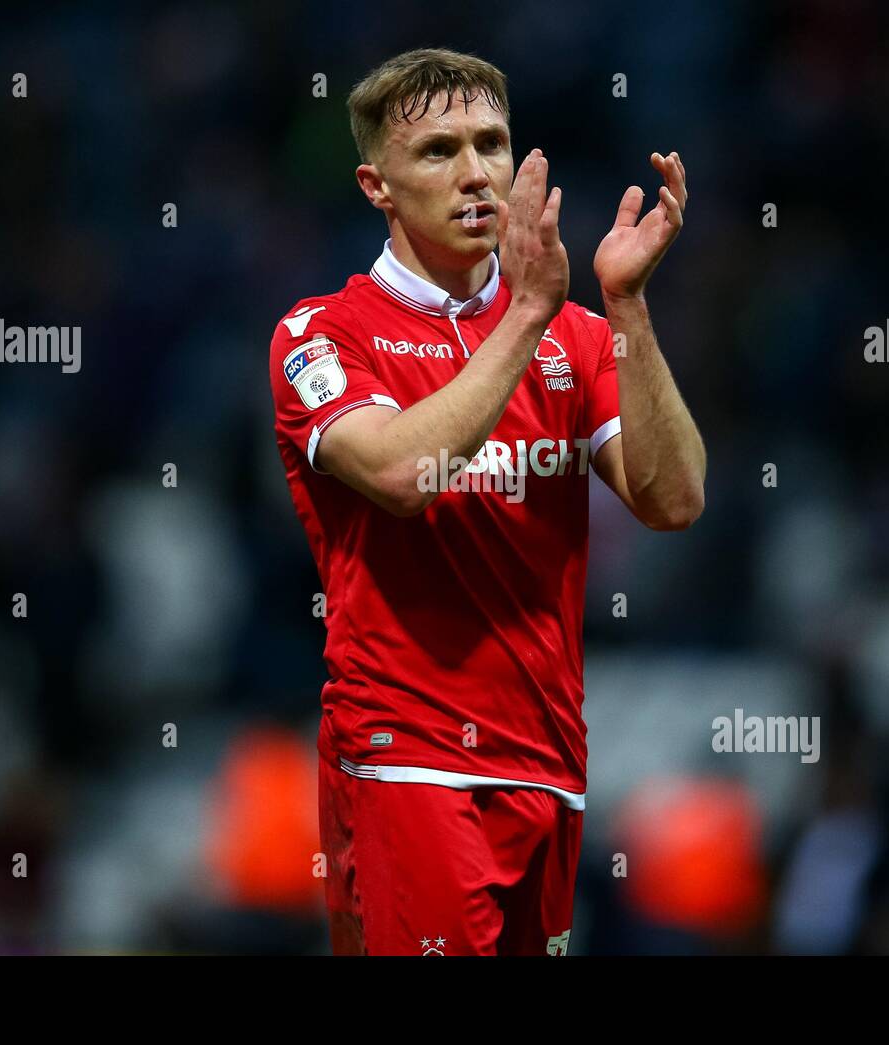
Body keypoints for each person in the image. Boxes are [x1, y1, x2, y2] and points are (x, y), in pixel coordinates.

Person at [268, 47, 706, 955]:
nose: (476, 173)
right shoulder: (323, 334)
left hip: (548, 762)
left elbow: (674, 498)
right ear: (375, 185)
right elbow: (399, 474)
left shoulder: (574, 337)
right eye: (437, 152)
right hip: (406, 756)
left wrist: (624, 307)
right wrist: (523, 318)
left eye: (492, 143)